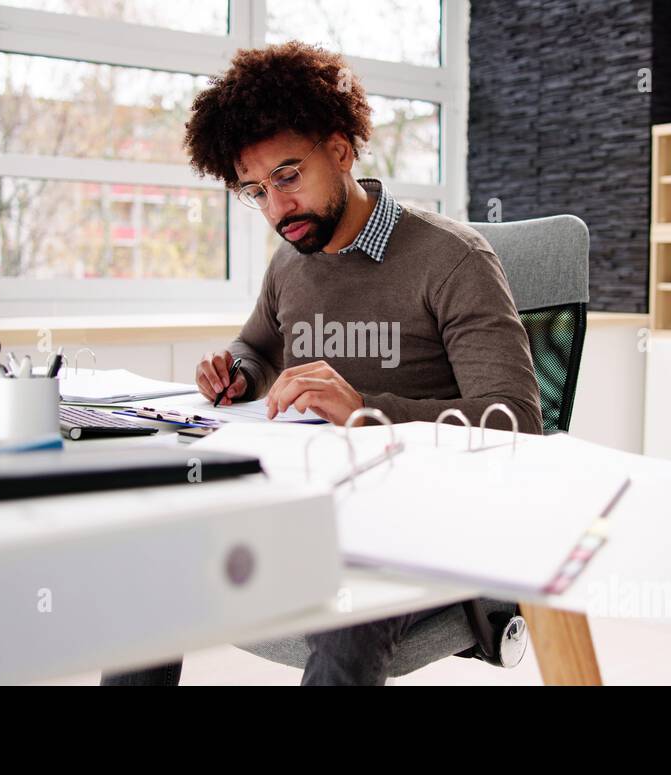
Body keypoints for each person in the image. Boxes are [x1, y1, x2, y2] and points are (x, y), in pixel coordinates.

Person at [102, 41, 541, 687]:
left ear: (340, 151)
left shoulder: (452, 260)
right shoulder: (291, 262)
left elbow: (516, 423)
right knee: (148, 557)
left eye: (287, 177)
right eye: (255, 191)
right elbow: (257, 346)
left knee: (346, 611)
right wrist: (237, 371)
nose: (276, 210)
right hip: (301, 498)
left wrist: (366, 412)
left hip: (417, 511)